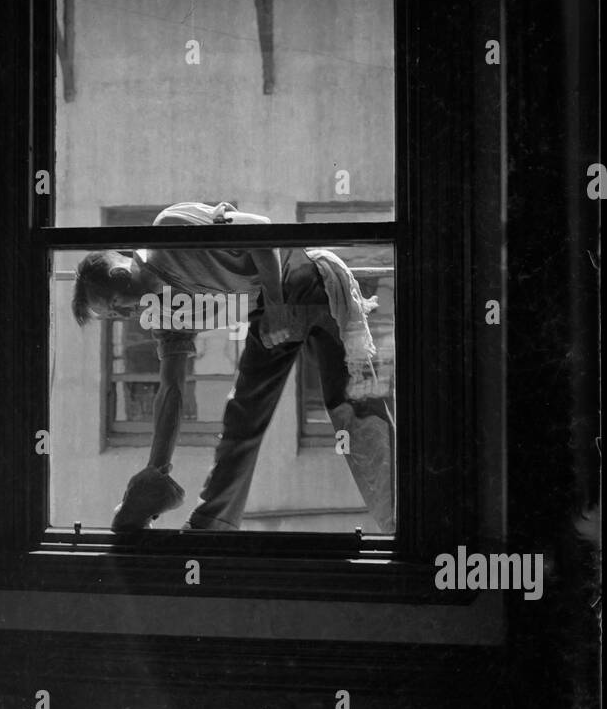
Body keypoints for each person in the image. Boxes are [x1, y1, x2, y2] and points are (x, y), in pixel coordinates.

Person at [72, 201, 394, 533]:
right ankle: (212, 527)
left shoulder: (171, 229)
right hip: (270, 312)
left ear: (120, 276)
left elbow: (261, 232)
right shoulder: (166, 316)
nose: (124, 318)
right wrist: (157, 470)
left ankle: (402, 520)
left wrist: (276, 307)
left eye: (115, 309)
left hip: (307, 282)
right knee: (244, 414)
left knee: (355, 409)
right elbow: (171, 389)